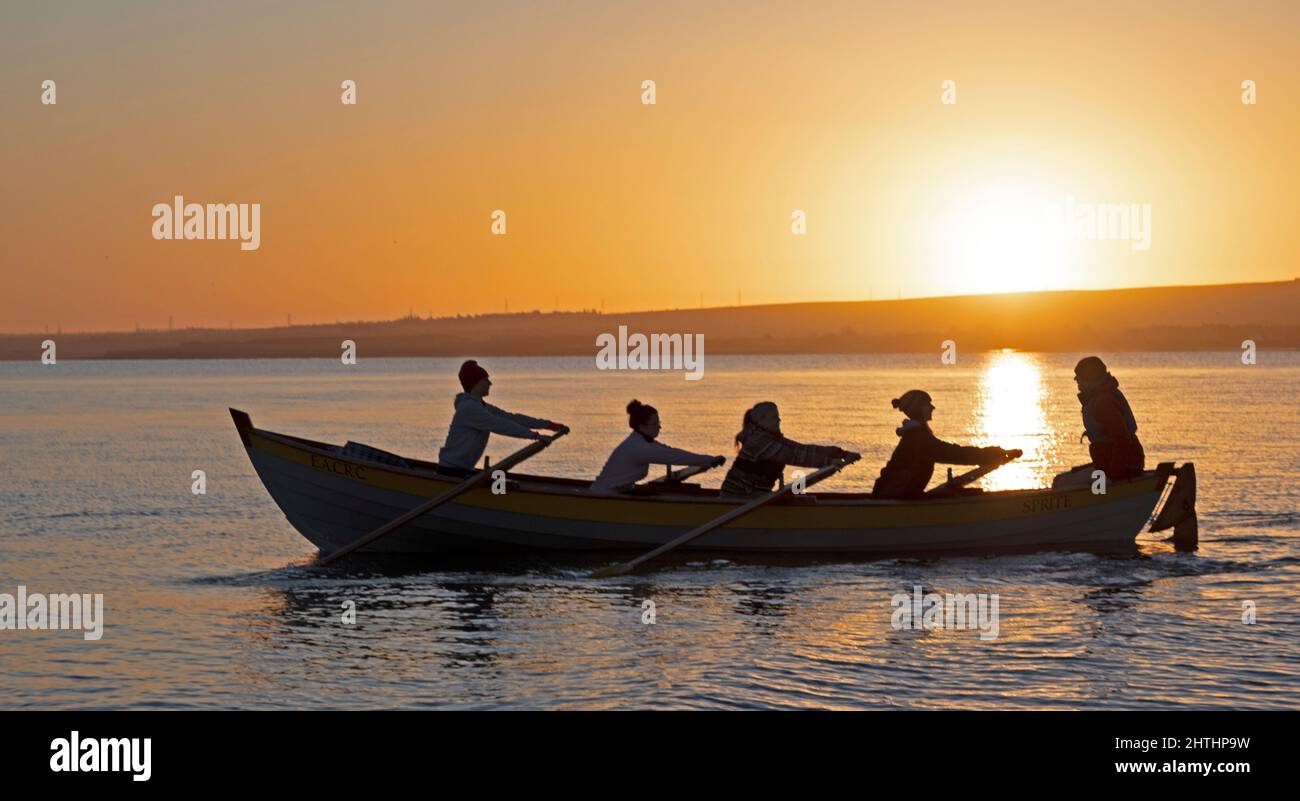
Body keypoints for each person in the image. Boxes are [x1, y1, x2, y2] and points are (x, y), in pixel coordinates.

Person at [871, 390, 1020, 499]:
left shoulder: (917, 435)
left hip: (899, 495)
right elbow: (953, 454)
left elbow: (950, 452)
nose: (932, 407)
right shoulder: (917, 438)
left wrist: (991, 453)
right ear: (918, 408)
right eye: (928, 404)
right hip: (893, 497)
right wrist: (989, 454)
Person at [436, 360, 567, 475]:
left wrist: (550, 425)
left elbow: (512, 419)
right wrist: (536, 436)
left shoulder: (482, 406)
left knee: (500, 483)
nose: (490, 383)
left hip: (464, 470)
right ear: (475, 383)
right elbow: (500, 425)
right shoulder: (469, 408)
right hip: (450, 471)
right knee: (500, 485)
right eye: (485, 379)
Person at [720, 401, 858, 497]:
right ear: (761, 420)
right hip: (738, 498)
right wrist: (829, 461)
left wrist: (840, 453)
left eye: (778, 417)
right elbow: (796, 457)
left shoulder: (772, 439)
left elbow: (801, 448)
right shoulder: (758, 442)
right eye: (775, 417)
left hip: (757, 497)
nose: (779, 420)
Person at [590, 400, 725, 493]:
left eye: (659, 422)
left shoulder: (641, 441)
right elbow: (673, 456)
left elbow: (668, 451)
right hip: (606, 495)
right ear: (642, 426)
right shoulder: (639, 447)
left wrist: (707, 461)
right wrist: (709, 460)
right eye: (655, 423)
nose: (660, 426)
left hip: (618, 493)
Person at [1072, 356, 1144, 481]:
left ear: (1090, 378)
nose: (1077, 381)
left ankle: (1101, 495)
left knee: (1064, 482)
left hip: (1121, 468)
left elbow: (1121, 438)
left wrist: (1114, 472)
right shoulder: (1104, 396)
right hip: (1118, 464)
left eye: (1080, 378)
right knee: (1070, 478)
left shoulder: (1103, 402)